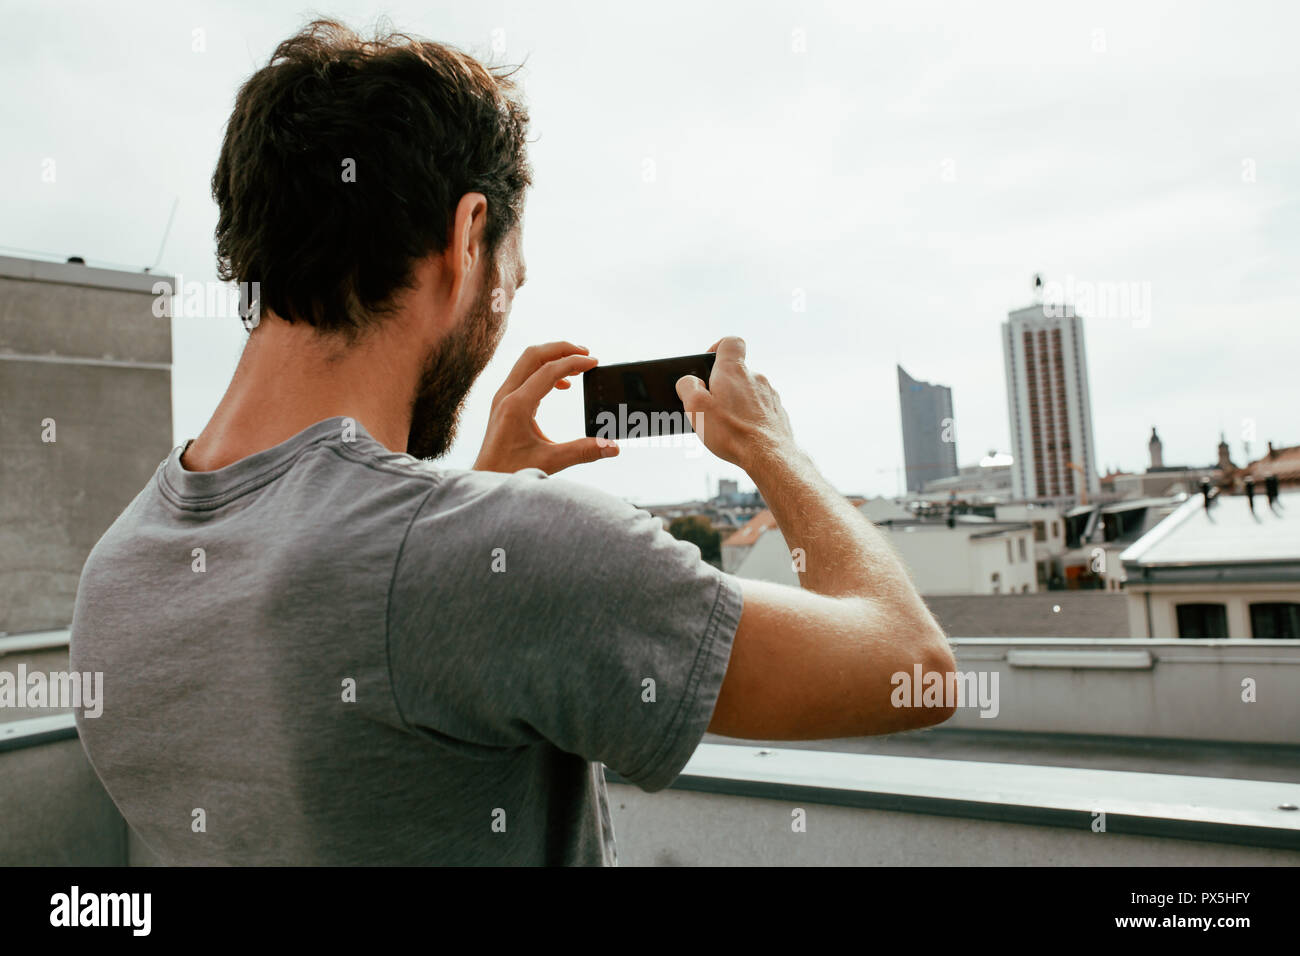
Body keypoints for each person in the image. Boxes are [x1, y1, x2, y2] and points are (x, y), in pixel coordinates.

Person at [69, 19, 956, 866]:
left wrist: (470, 500)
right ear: (464, 239)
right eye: (510, 277)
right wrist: (772, 448)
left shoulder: (113, 578)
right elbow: (910, 666)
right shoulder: (504, 548)